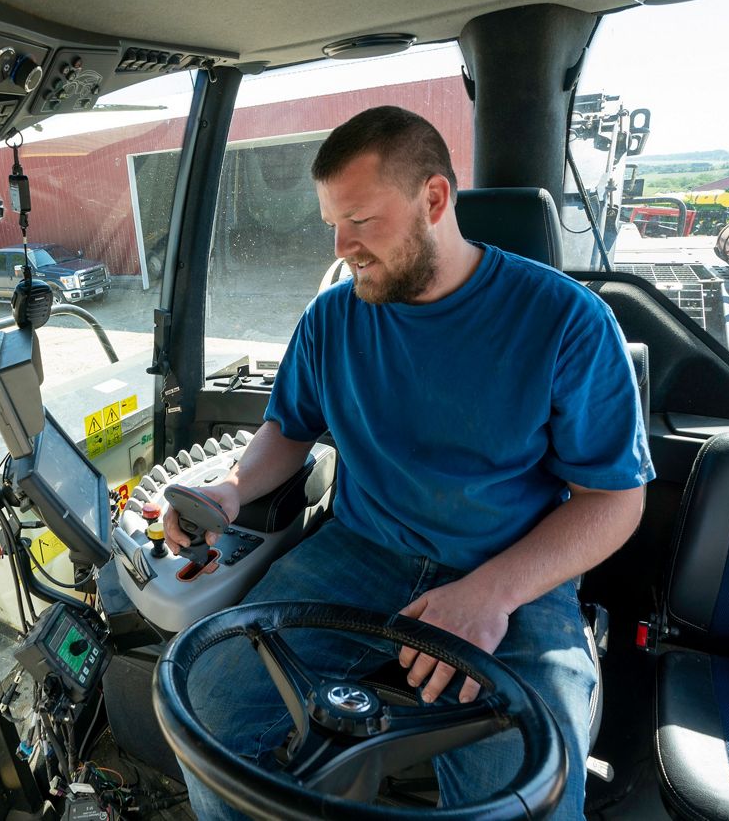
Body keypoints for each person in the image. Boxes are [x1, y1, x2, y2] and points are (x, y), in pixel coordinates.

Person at [163, 105, 654, 819]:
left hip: (510, 572)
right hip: (360, 552)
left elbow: (614, 500)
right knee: (206, 702)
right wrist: (234, 488)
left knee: (527, 793)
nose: (343, 244)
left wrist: (489, 594)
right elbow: (288, 430)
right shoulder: (331, 319)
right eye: (333, 222)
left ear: (433, 199)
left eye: (360, 219)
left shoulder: (566, 322)